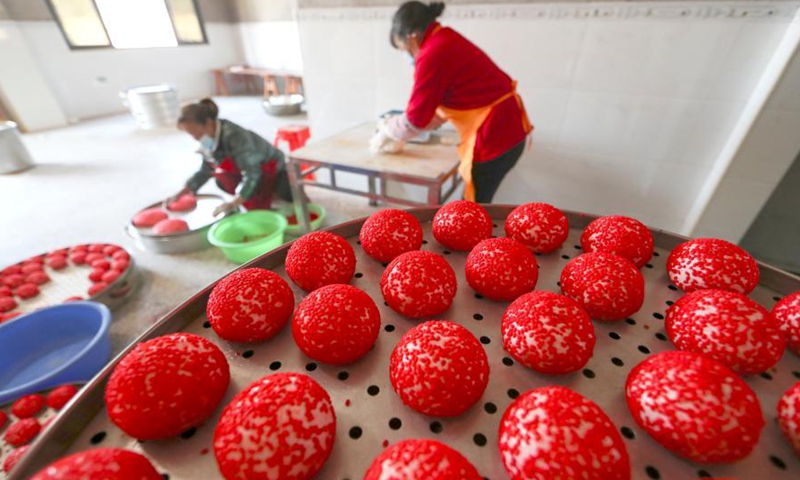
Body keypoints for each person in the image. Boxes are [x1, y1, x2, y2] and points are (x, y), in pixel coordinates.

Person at [371, 1, 533, 203]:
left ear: (412, 36)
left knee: (473, 207)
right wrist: (404, 125)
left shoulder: (433, 52)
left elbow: (416, 119)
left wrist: (388, 129)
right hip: (507, 130)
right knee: (473, 204)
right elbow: (441, 106)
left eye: (405, 49)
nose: (408, 56)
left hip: (496, 136)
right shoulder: (444, 37)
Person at [172, 98, 292, 215]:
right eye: (190, 134)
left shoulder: (236, 137)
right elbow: (205, 170)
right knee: (222, 181)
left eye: (195, 132)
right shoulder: (208, 141)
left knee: (286, 193)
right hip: (247, 172)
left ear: (208, 123)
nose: (195, 138)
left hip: (272, 170)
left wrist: (234, 202)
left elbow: (252, 173)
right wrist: (184, 191)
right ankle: (252, 199)